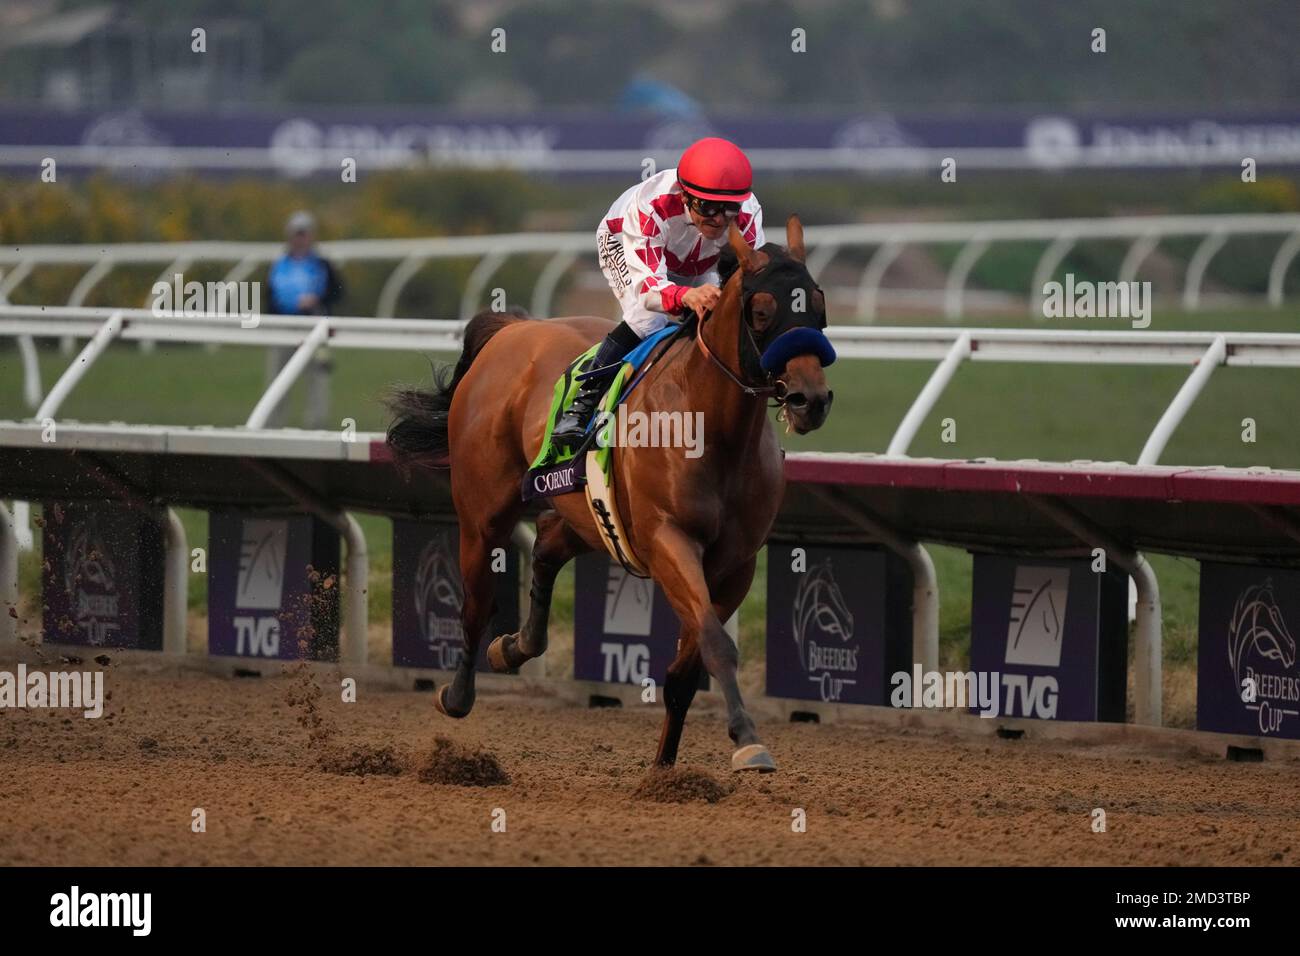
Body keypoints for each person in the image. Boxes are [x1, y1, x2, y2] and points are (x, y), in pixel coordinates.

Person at [550, 137, 764, 450]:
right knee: (647, 318)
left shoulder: (747, 216)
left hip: (697, 261)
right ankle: (581, 407)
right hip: (623, 242)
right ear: (686, 196)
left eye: (728, 209)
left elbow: (749, 282)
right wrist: (685, 297)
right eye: (707, 207)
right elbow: (649, 290)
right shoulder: (652, 207)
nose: (718, 219)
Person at [263, 211, 345, 429]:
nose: (300, 238)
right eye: (296, 234)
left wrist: (316, 300)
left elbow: (337, 292)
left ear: (311, 235)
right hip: (284, 328)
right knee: (277, 383)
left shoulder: (322, 264)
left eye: (304, 233)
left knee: (317, 382)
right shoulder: (279, 264)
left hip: (314, 328)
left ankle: (316, 427)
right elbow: (269, 297)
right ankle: (273, 427)